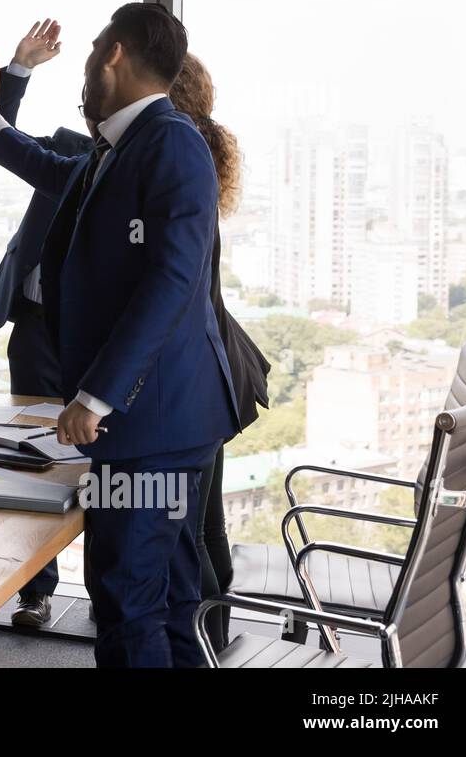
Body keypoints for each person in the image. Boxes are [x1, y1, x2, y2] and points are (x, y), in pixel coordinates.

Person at [0, 3, 240, 667]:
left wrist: (96, 397)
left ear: (113, 55)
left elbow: (170, 282)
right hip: (159, 424)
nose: (86, 69)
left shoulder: (170, 142)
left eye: (92, 53)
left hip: (149, 426)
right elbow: (50, 170)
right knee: (167, 596)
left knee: (125, 598)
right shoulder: (120, 149)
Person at [0, 19, 93, 627]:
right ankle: (36, 592)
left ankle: (109, 592)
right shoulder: (70, 150)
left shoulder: (138, 169)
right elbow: (3, 134)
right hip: (33, 327)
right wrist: (19, 68)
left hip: (90, 337)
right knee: (33, 458)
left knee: (99, 464)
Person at [168, 52, 271, 651]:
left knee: (189, 532)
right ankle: (215, 640)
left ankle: (200, 644)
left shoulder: (173, 161)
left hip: (199, 378)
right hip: (219, 375)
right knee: (206, 525)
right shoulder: (196, 157)